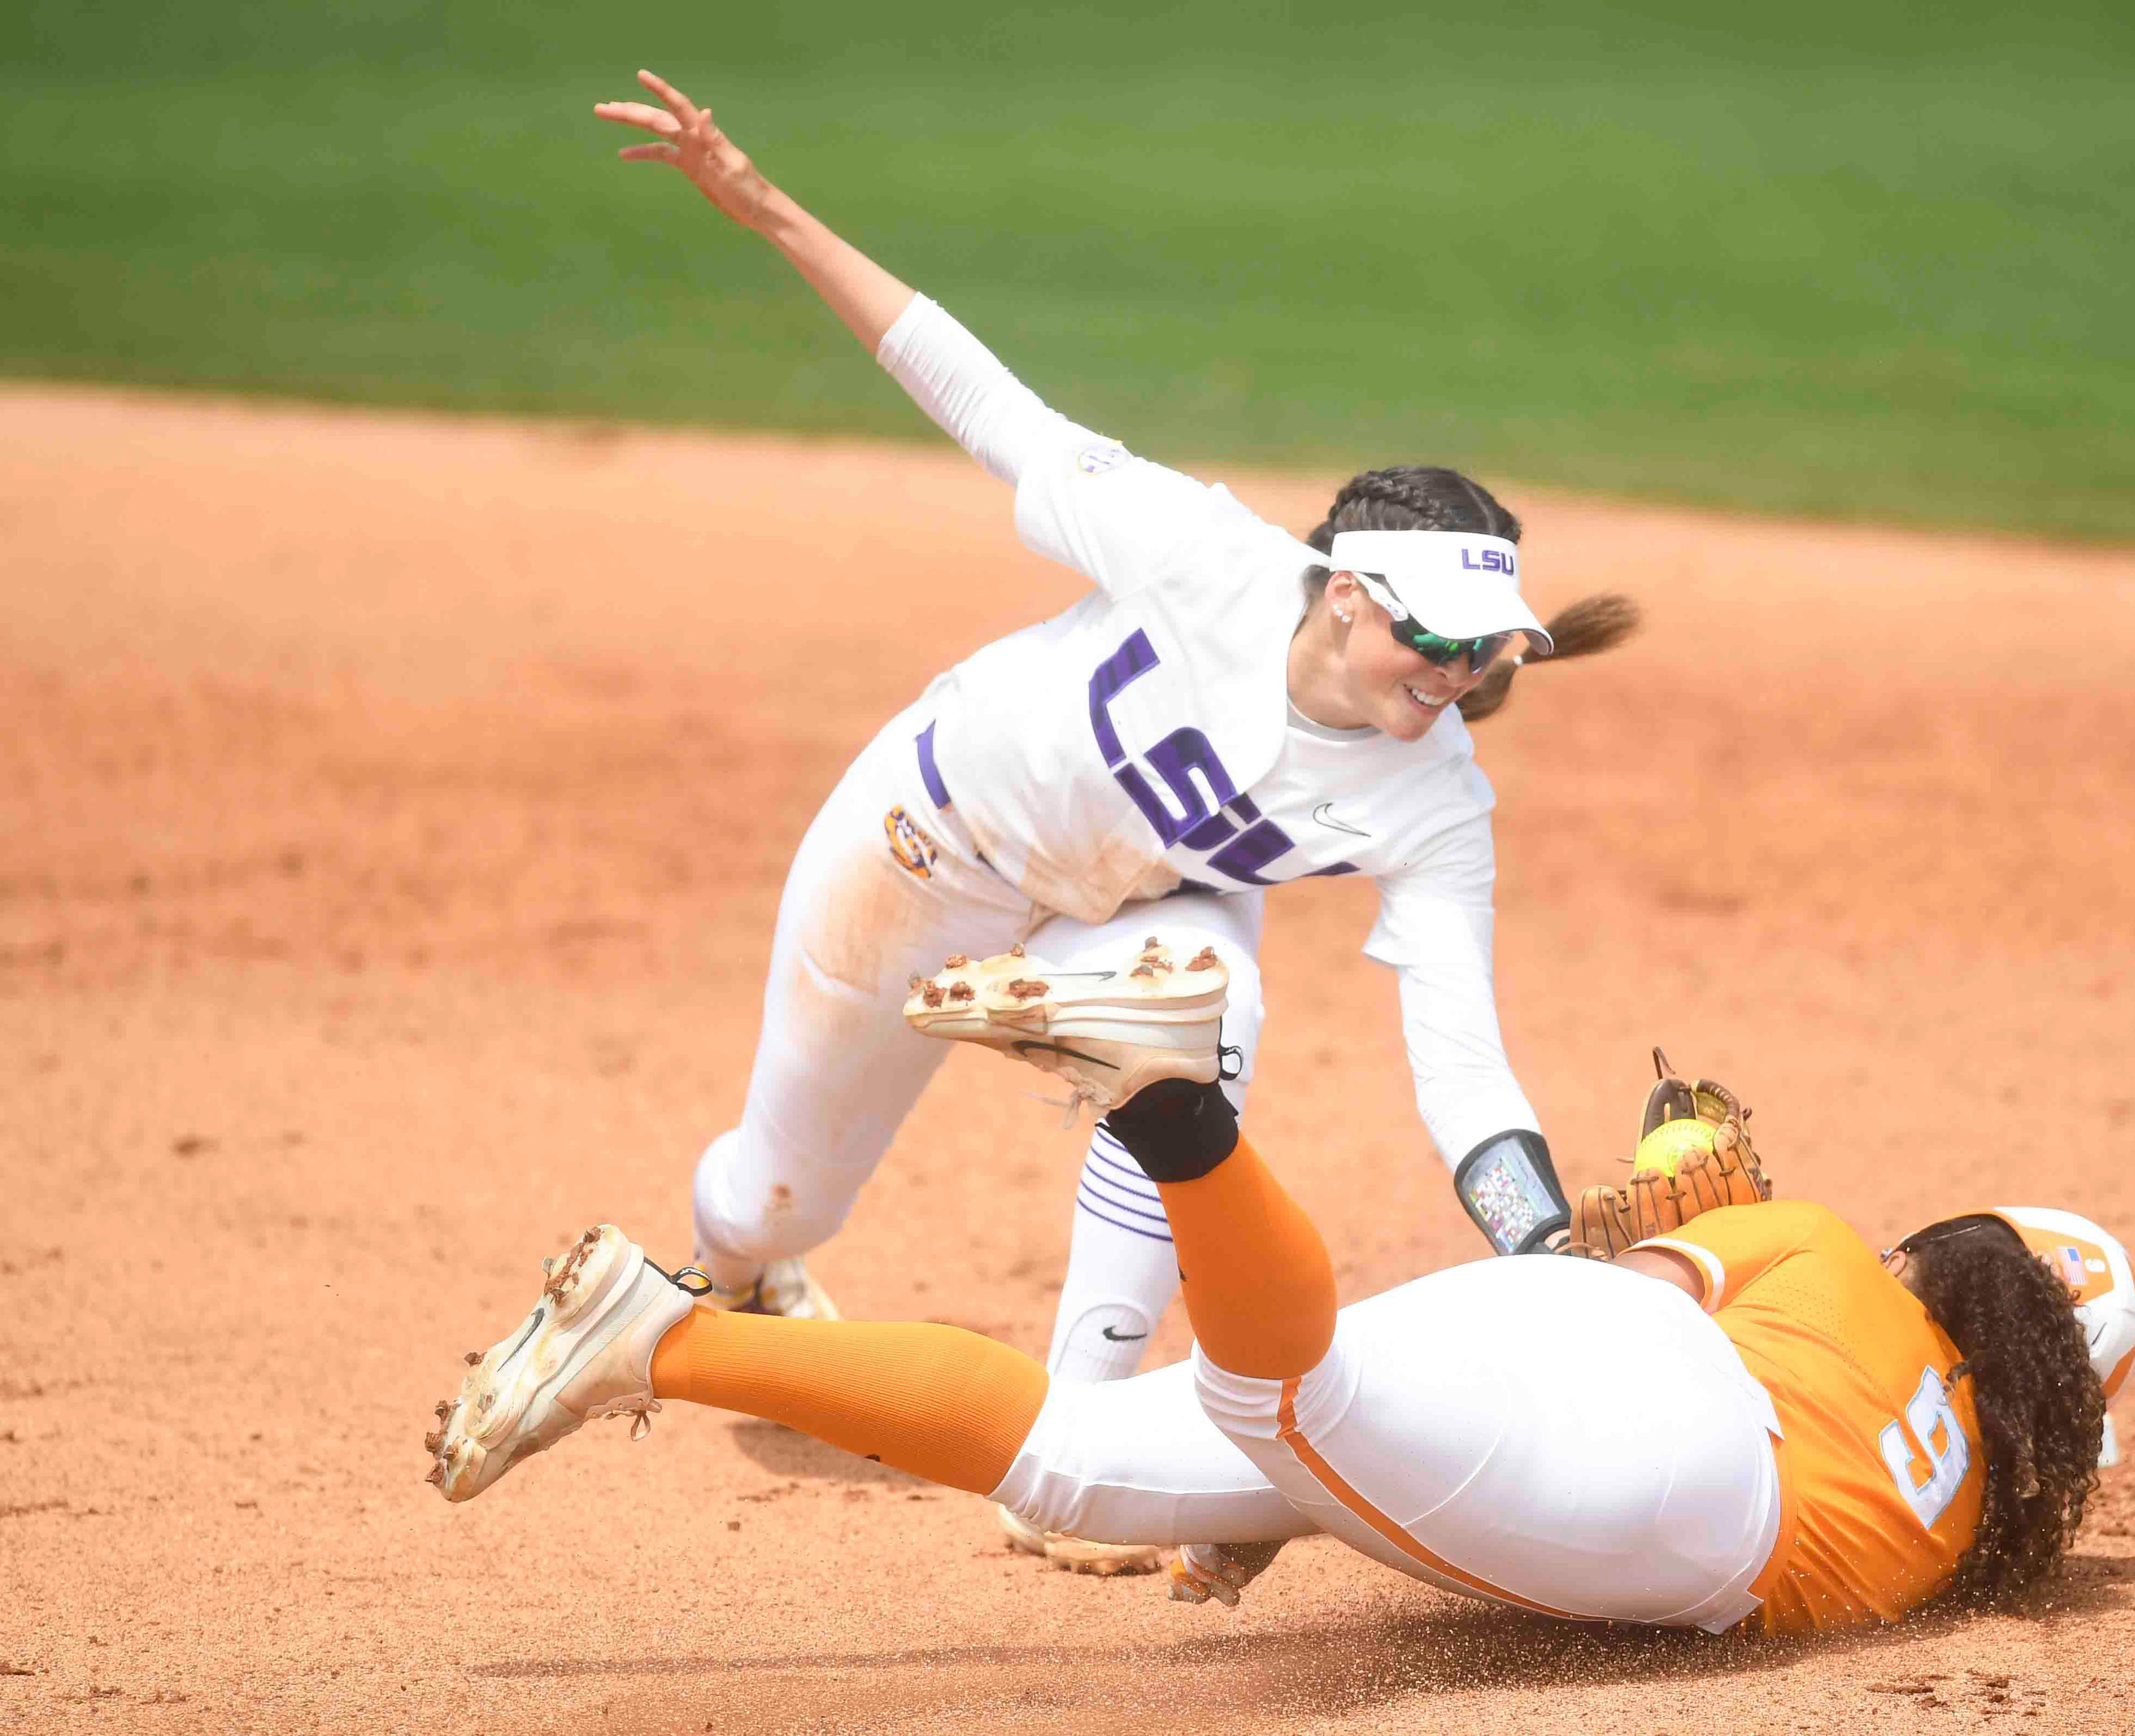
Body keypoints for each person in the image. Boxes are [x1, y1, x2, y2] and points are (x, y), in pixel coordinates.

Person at [584, 72, 1633, 1568]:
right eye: (1436, 645)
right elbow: (978, 394)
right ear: (1348, 594)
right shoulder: (1196, 551)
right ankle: (737, 1272)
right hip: (929, 835)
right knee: (775, 1186)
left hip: (1135, 900)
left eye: (1483, 656)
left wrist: (1543, 1245)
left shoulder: (1438, 795)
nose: (1459, 683)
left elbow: (1464, 1063)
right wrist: (761, 204)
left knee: (1207, 1013)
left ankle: (1066, 1440)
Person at [425, 954, 2135, 1633]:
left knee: (1085, 1461)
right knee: (1291, 1402)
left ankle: (663, 1334)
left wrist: (1315, 1513)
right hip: (1700, 1506)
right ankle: (1177, 1108)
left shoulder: (1827, 1247)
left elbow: (1592, 1286)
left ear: (1952, 1259)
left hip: (1611, 1334)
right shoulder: (1981, 1504)